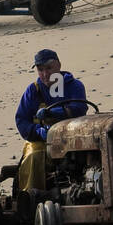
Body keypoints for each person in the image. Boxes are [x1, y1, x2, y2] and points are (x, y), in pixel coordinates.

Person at [14, 49, 87, 191]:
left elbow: (79, 108)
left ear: (59, 65)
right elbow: (21, 120)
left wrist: (54, 112)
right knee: (34, 157)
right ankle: (30, 198)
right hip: (41, 141)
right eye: (41, 70)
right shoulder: (33, 91)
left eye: (49, 68)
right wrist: (38, 132)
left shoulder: (75, 86)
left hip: (72, 138)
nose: (45, 74)